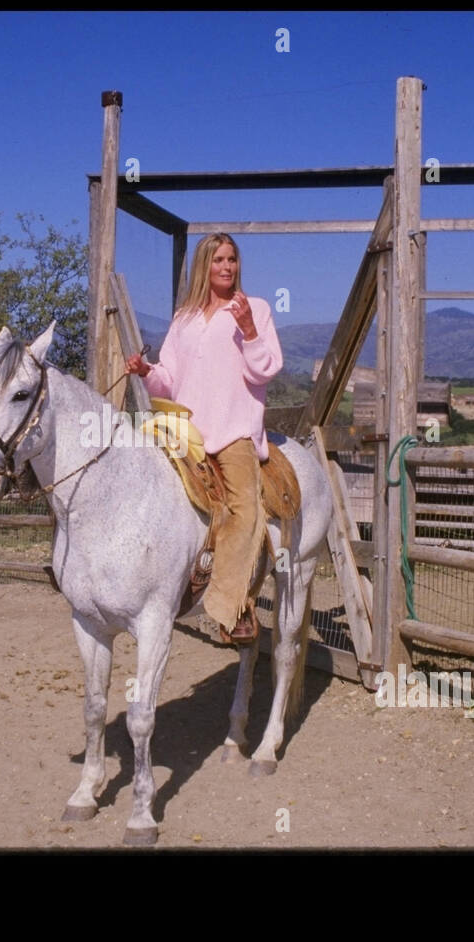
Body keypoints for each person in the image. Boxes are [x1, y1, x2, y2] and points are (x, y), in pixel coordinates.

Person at [126, 233, 283, 643]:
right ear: (204, 267)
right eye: (218, 261)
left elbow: (265, 371)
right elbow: (169, 380)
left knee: (245, 510)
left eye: (232, 259)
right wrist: (146, 372)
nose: (227, 267)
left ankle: (226, 608)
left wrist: (249, 330)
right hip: (186, 428)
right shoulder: (184, 319)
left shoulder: (257, 310)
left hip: (233, 431)